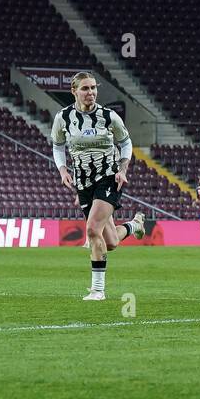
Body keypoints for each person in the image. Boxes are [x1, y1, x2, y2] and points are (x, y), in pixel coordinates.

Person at [51, 71, 145, 301]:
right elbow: (57, 145)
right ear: (74, 91)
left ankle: (97, 290)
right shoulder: (63, 117)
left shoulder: (109, 116)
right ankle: (134, 225)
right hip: (83, 183)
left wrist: (122, 169)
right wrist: (63, 170)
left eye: (93, 87)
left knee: (92, 229)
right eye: (85, 88)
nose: (90, 92)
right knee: (110, 242)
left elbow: (125, 143)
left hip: (108, 177)